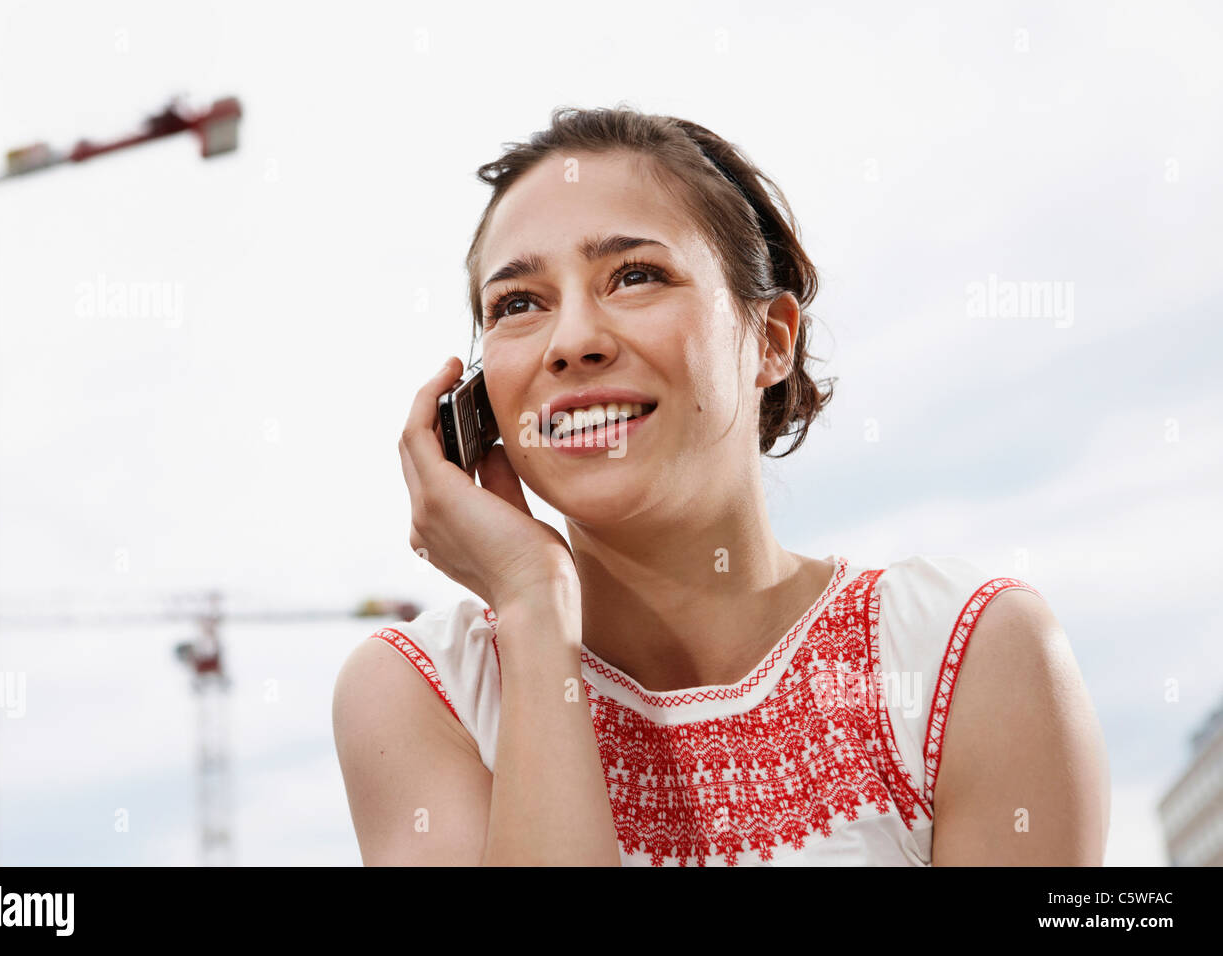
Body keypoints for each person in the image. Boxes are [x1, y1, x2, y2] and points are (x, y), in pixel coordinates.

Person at [332, 105, 1110, 866]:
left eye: (634, 276)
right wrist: (533, 610)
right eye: (519, 304)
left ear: (770, 340)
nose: (570, 342)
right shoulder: (425, 695)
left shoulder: (969, 652)